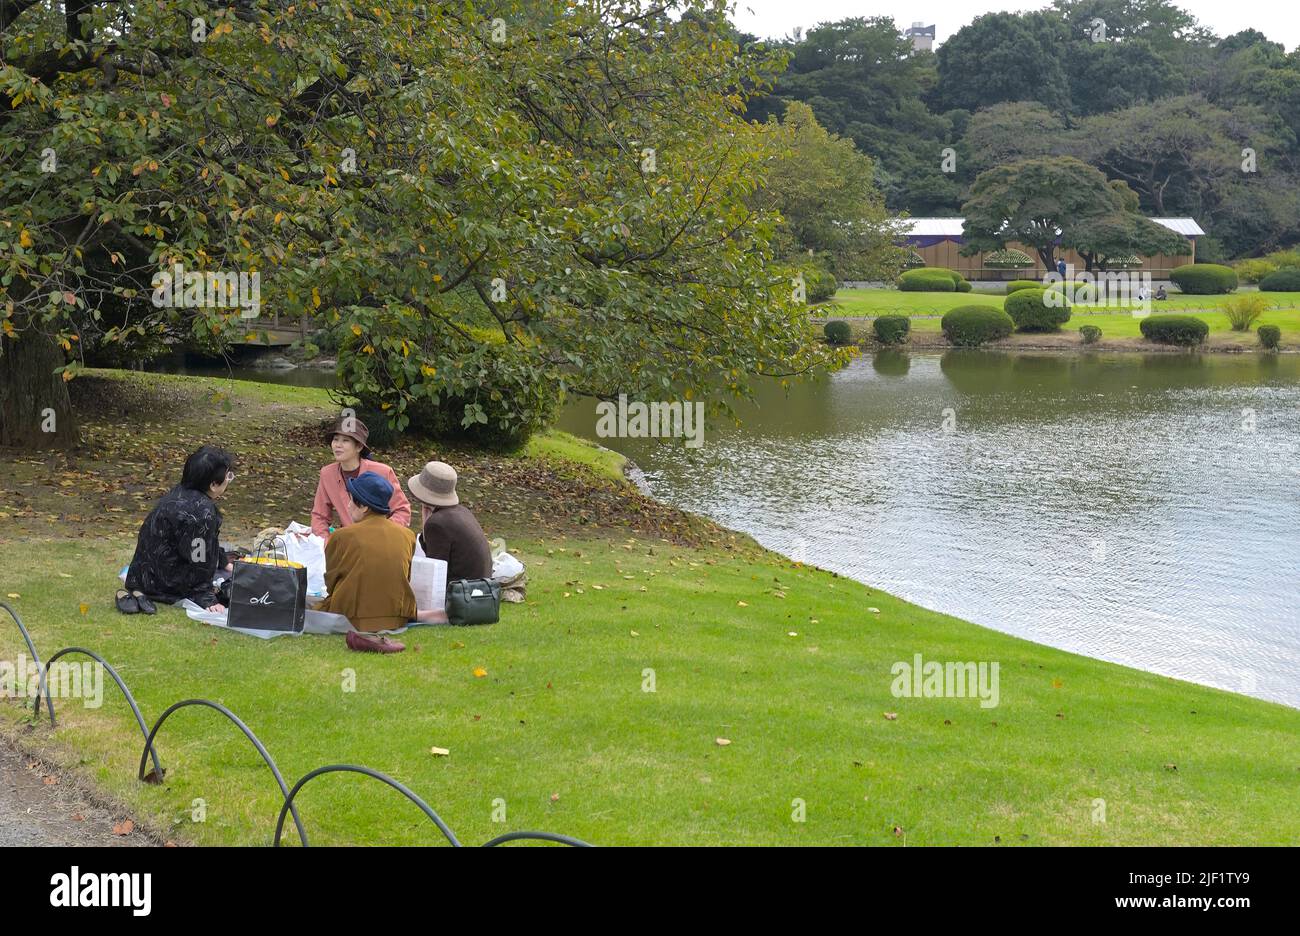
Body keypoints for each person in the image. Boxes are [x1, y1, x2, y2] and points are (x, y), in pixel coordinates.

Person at [125, 446, 236, 613]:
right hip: (164, 582)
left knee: (229, 573)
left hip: (143, 574)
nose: (229, 480)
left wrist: (224, 562)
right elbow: (200, 558)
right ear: (213, 484)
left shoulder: (179, 493)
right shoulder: (202, 512)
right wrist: (206, 598)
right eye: (228, 475)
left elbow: (208, 541)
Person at [318, 471, 417, 653]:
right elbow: (405, 576)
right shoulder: (408, 535)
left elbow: (331, 582)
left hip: (350, 617)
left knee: (308, 601)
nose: (347, 506)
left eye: (351, 500)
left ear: (363, 506)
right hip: (398, 617)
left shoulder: (341, 536)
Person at [310, 416, 410, 542]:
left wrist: (383, 535)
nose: (338, 445)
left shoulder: (383, 472)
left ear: (358, 447)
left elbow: (402, 511)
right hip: (348, 545)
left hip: (380, 542)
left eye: (345, 440)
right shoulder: (327, 473)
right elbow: (319, 516)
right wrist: (325, 544)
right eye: (335, 439)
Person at [407, 461, 493, 581]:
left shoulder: (437, 523)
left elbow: (434, 571)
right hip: (480, 585)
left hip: (462, 593)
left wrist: (426, 524)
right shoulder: (461, 511)